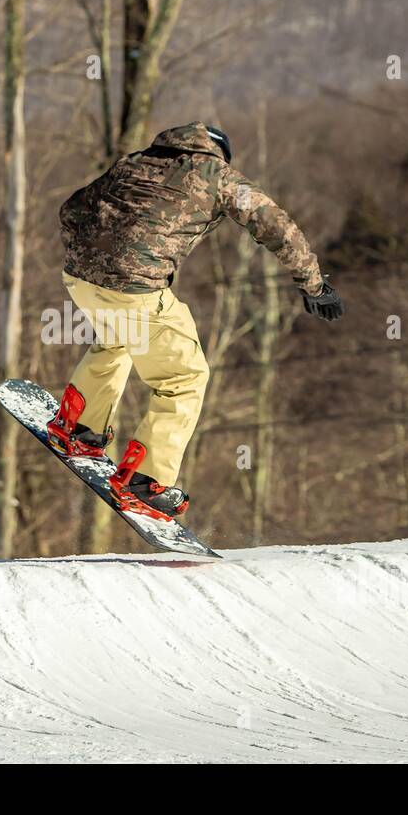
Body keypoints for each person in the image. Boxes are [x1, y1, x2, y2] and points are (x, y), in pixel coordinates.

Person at [46, 121, 343, 520]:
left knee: (119, 339)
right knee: (184, 377)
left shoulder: (134, 163)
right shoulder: (217, 175)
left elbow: (71, 210)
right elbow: (276, 226)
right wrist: (314, 285)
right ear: (218, 152)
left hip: (80, 277)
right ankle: (145, 482)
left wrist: (95, 257)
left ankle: (77, 427)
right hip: (135, 287)